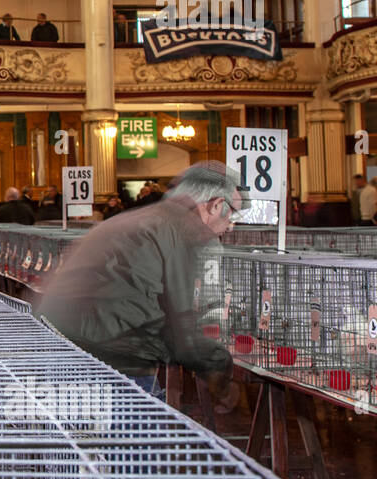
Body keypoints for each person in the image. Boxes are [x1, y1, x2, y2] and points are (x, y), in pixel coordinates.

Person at [37, 162, 242, 396]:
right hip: (109, 360)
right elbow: (182, 334)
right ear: (215, 205)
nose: (231, 226)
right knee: (146, 426)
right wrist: (222, 371)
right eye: (232, 213)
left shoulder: (149, 219)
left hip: (61, 344)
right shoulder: (177, 232)